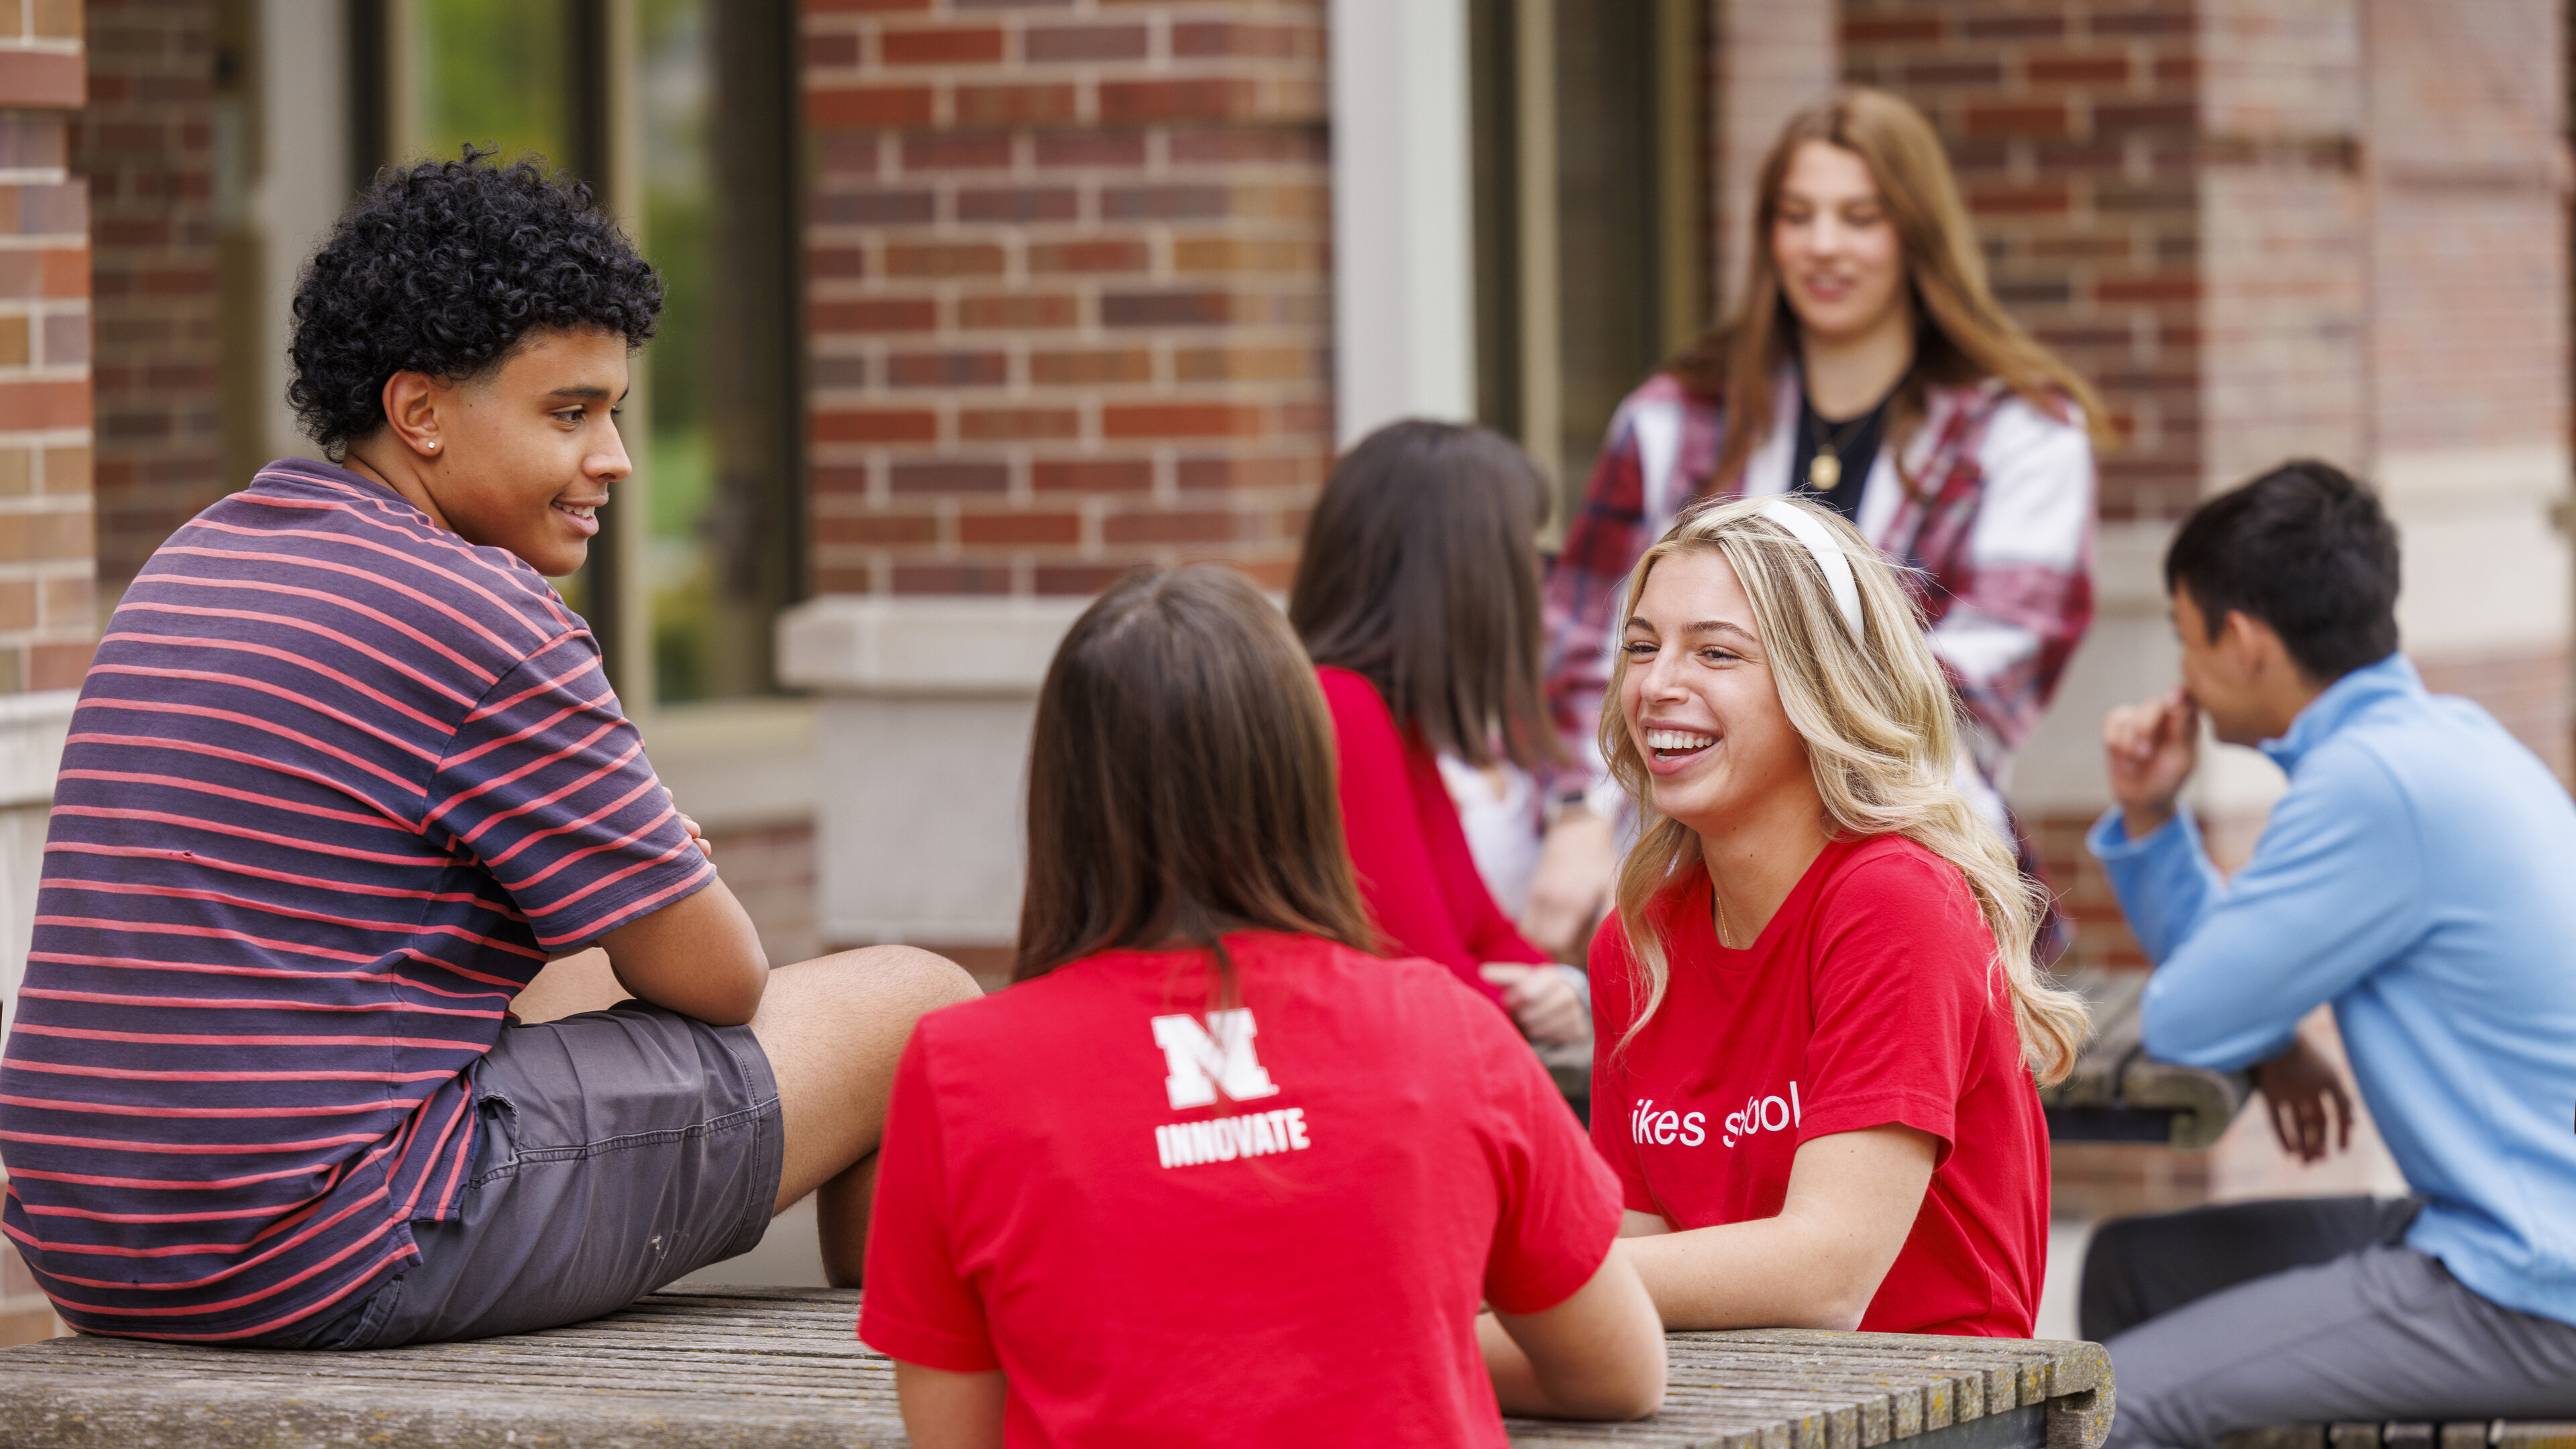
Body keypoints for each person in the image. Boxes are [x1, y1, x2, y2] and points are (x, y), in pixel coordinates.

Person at [0, 152, 977, 1347]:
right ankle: (883, 1395)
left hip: (95, 1247)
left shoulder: (201, 556)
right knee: (918, 1009)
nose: (612, 457)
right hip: (327, 1242)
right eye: (568, 414)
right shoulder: (485, 618)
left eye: (615, 411)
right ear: (419, 412)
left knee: (567, 956)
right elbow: (726, 983)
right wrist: (667, 852)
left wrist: (616, 889)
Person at [859, 566, 1664, 1448]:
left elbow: (958, 1434)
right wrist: (1395, 1348)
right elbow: (1621, 1371)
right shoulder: (1451, 1029)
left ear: (1066, 793)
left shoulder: (958, 1069)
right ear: (1300, 771)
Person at [1527, 86, 2103, 962]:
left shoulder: (2023, 434)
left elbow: (1985, 681)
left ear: (1916, 233)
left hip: (1909, 853)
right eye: (1797, 216)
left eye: (1860, 217)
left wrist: (1767, 726)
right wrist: (1575, 812)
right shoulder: (1670, 420)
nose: (1823, 245)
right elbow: (1581, 642)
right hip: (1671, 876)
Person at [2080, 462, 2576, 1444]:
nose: (2182, 679)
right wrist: (2151, 816)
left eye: (2186, 640)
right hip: (2494, 1234)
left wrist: (2254, 1030)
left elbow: (2187, 1018)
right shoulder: (2443, 739)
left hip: (2533, 1280)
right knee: (2129, 1268)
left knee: (2109, 1403)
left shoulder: (2371, 787)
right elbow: (2230, 988)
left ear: (2246, 640)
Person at [1587, 495, 2084, 1336]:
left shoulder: (1893, 901)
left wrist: (1512, 1271)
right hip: (1729, 1409)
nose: (1659, 685)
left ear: (1822, 686)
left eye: (1716, 652)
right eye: (1641, 647)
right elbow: (1630, 1292)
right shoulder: (1638, 942)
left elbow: (1827, 1277)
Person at [1289, 420, 1587, 1045]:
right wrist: (1535, 996)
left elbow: (1486, 935)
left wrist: (1564, 990)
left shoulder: (1402, 723)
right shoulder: (1341, 710)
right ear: (1462, 575)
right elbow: (1422, 987)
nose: (1540, 584)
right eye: (1528, 558)